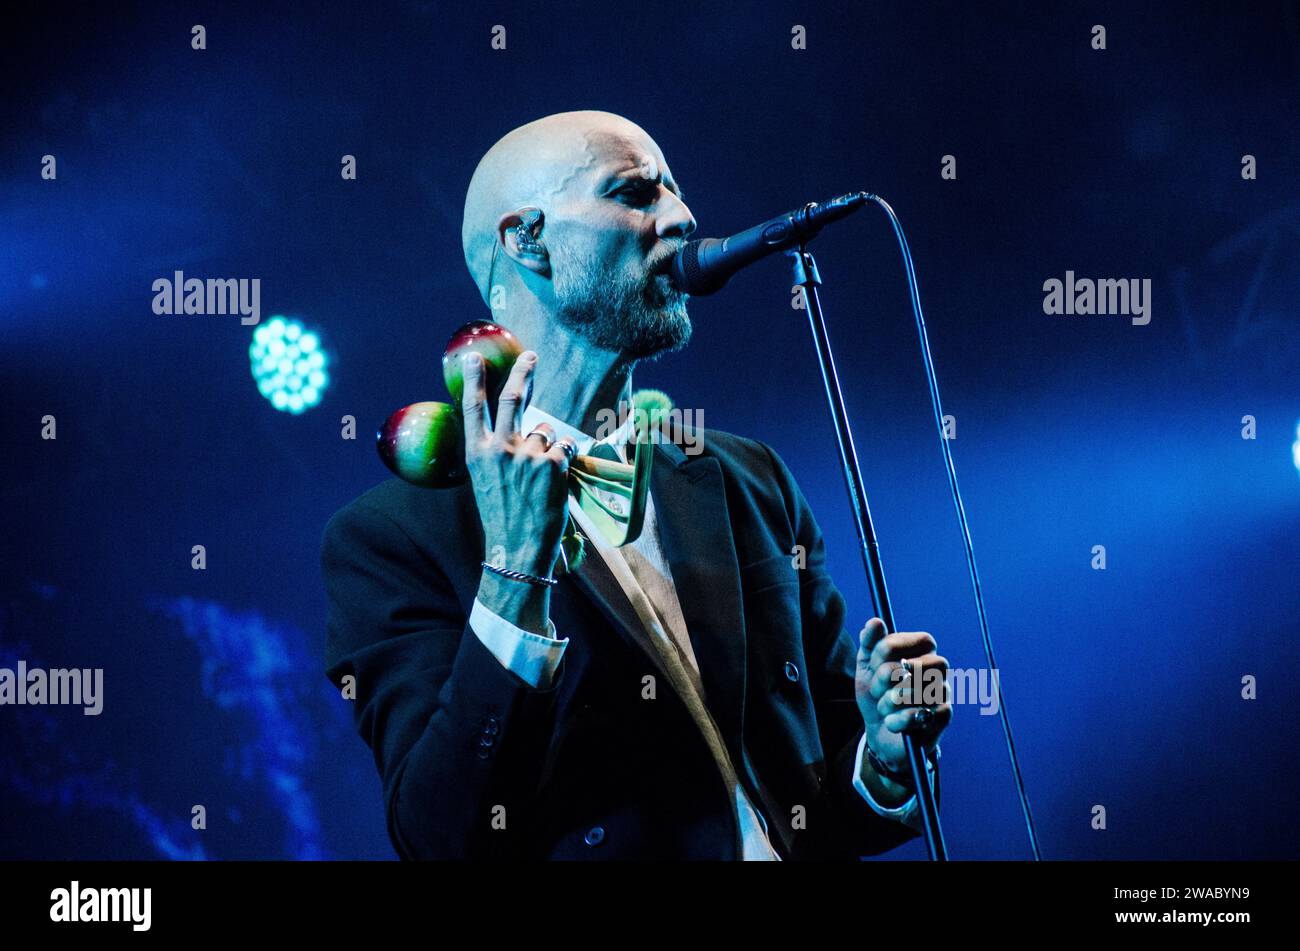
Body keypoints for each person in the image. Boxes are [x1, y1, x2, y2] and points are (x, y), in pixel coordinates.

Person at [322, 110, 950, 860]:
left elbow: (817, 806)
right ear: (527, 240)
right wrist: (515, 570)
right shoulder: (394, 535)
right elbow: (442, 835)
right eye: (635, 192)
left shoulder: (751, 478)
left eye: (675, 190)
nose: (683, 217)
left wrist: (882, 754)